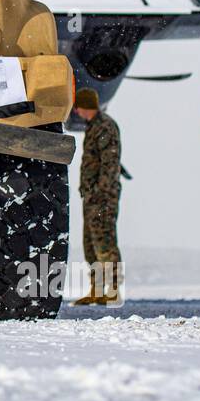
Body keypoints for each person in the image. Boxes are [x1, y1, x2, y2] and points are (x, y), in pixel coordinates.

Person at [72, 87, 123, 306]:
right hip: (92, 197)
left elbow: (110, 165)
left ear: (84, 107)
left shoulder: (105, 127)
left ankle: (112, 291)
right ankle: (96, 290)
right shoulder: (94, 127)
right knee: (91, 244)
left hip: (102, 197)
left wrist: (100, 192)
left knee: (105, 243)